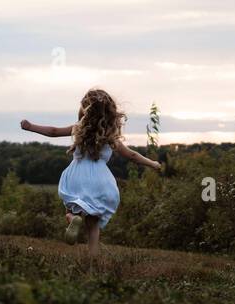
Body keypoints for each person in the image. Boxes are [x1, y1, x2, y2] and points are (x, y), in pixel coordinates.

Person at [20, 88, 161, 256]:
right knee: (93, 225)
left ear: (85, 110)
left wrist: (30, 127)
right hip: (101, 181)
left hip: (77, 176)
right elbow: (132, 155)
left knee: (71, 209)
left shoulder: (78, 128)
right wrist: (152, 163)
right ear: (110, 113)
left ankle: (73, 219)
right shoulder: (110, 136)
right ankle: (93, 261)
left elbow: (53, 131)